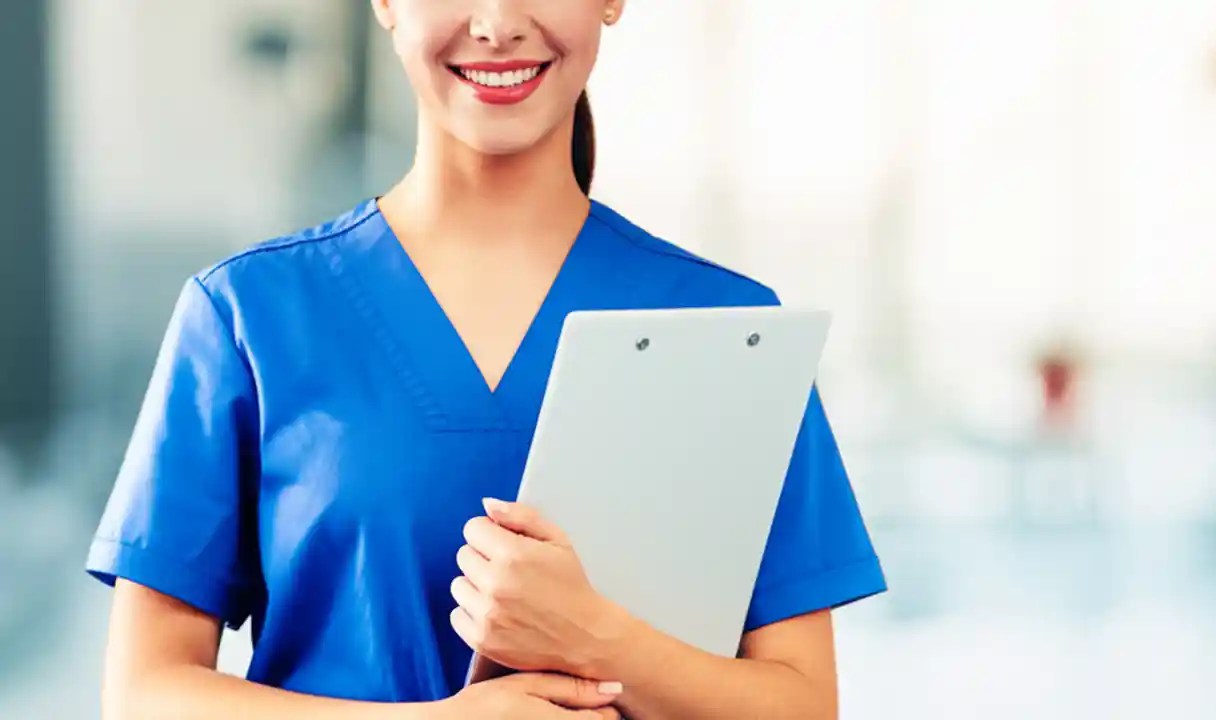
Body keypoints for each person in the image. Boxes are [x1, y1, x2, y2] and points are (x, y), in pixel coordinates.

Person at [85, 1, 887, 718]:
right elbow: (145, 693)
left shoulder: (729, 329)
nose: (498, 20)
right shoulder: (247, 315)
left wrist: (601, 639)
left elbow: (802, 704)